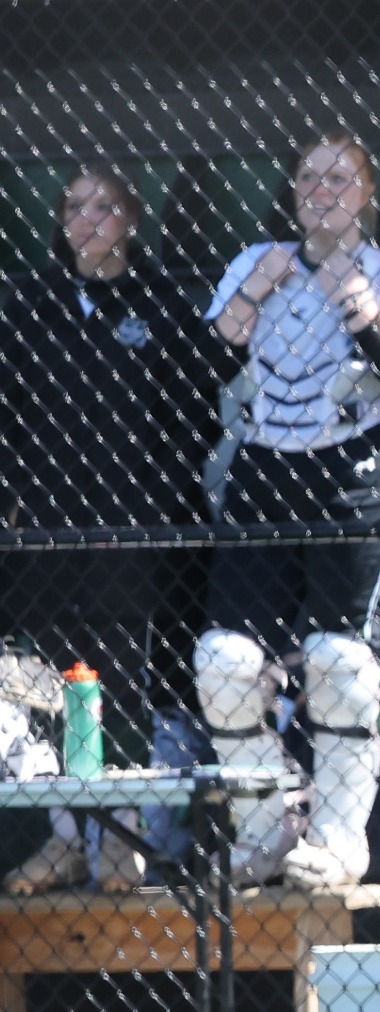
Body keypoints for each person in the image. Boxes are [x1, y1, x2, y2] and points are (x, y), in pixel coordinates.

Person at [198, 127, 380, 891]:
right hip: (266, 465)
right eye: (308, 178)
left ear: (366, 194)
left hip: (358, 465)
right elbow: (199, 364)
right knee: (225, 661)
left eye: (338, 179)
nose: (321, 192)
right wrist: (250, 295)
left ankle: (338, 837)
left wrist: (367, 316)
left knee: (340, 661)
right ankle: (265, 825)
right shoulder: (253, 262)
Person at [0, 159, 225, 892]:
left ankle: (123, 840)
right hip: (50, 540)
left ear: (130, 218)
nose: (87, 220)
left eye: (103, 206)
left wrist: (144, 511)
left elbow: (193, 418)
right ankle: (68, 838)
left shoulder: (162, 306)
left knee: (122, 688)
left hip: (135, 544)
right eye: (74, 207)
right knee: (54, 688)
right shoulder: (27, 308)